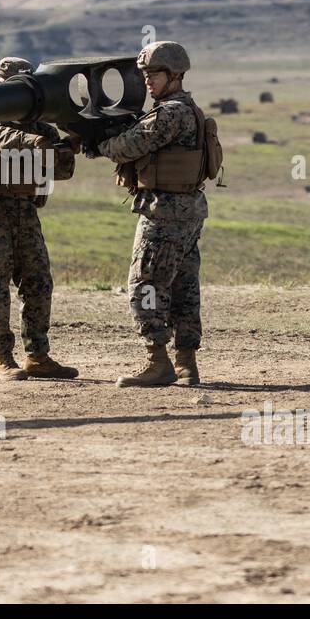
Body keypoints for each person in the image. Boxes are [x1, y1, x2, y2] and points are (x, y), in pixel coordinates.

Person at [95, 41, 208, 387]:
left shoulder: (171, 112)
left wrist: (98, 144)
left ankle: (157, 362)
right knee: (182, 285)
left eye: (153, 74)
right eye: (144, 74)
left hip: (164, 214)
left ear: (174, 75)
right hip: (187, 212)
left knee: (145, 285)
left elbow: (131, 146)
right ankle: (186, 364)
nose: (147, 81)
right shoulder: (186, 109)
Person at [0, 57, 79, 382]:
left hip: (26, 213)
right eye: (7, 85)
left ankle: (38, 355)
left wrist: (66, 145)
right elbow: (0, 141)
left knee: (39, 283)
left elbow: (63, 168)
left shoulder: (41, 127)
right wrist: (39, 146)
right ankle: (1, 358)